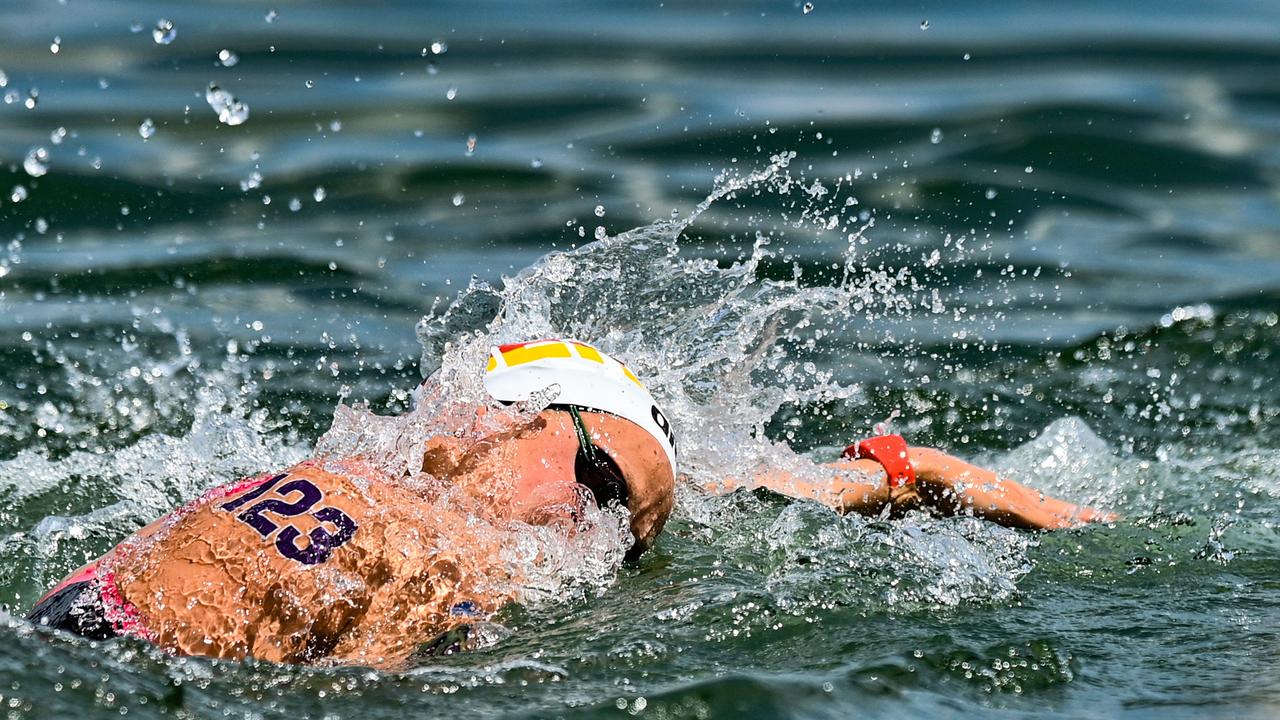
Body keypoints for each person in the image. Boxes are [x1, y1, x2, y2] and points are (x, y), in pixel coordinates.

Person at [26, 338, 1111, 669]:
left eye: (632, 538)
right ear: (498, 418)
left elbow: (781, 483)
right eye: (597, 486)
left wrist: (912, 472)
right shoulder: (421, 515)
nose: (595, 535)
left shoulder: (464, 482)